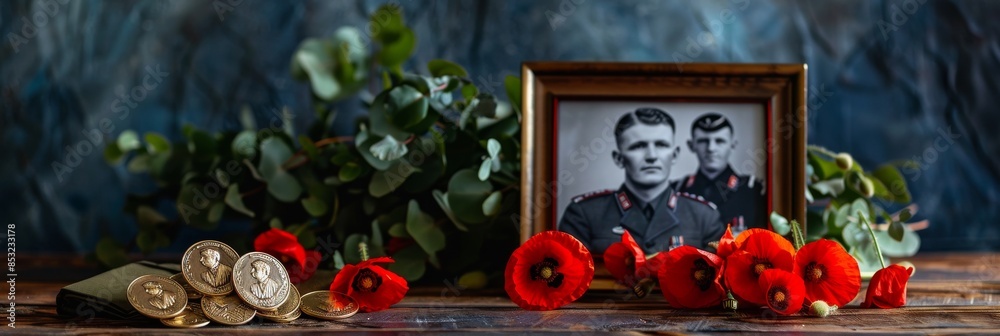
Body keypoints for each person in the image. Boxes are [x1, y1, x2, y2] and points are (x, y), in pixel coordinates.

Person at [560, 107, 724, 255]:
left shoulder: (704, 218)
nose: (651, 156)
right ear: (619, 158)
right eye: (638, 146)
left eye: (661, 145)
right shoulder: (584, 214)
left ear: (674, 155)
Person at [673, 112, 766, 232]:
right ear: (691, 146)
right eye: (703, 141)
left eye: (719, 141)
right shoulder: (678, 190)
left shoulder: (753, 190)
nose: (711, 148)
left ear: (732, 145)